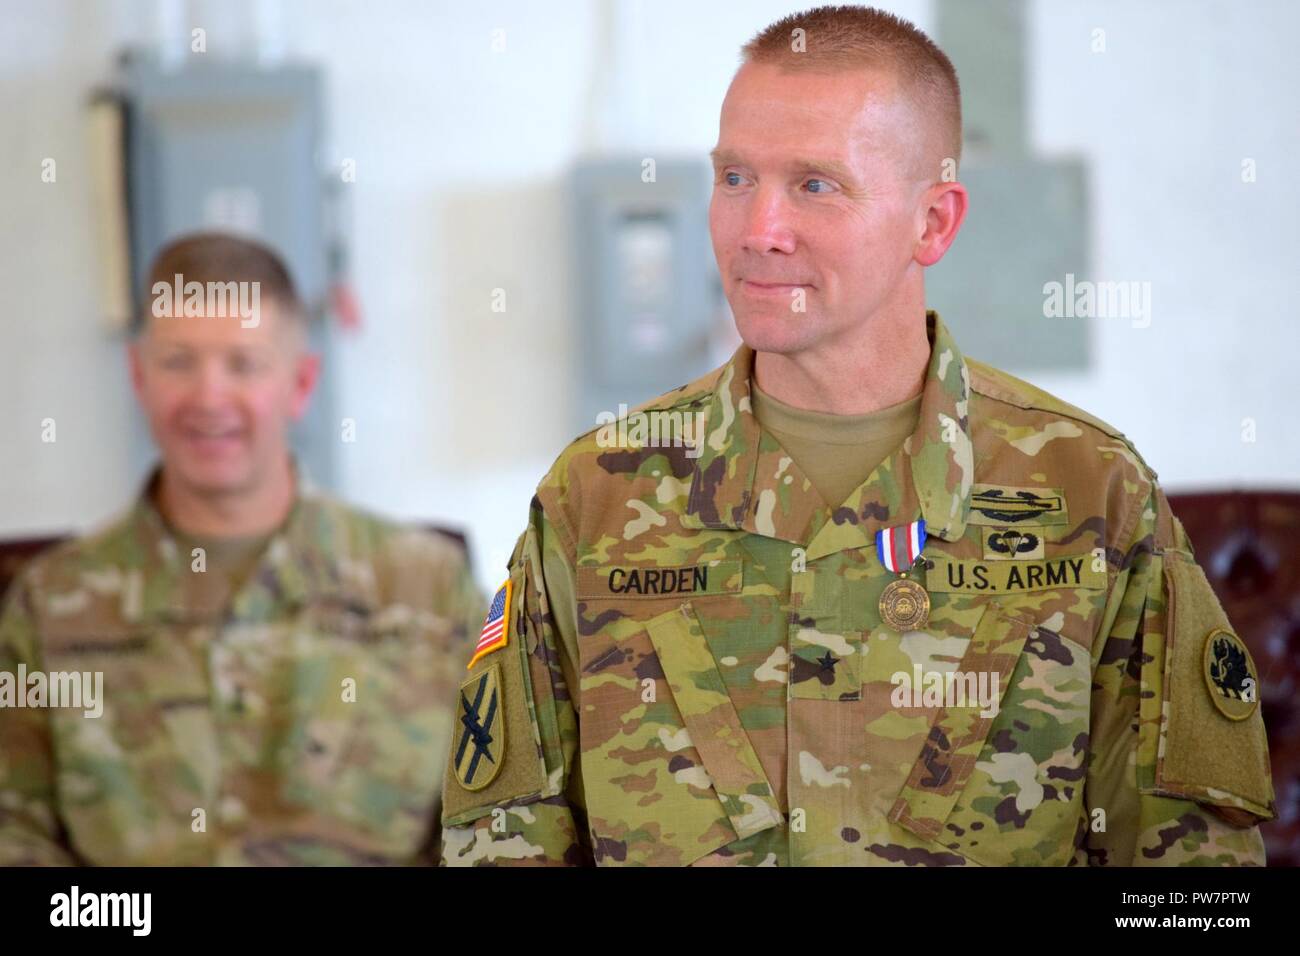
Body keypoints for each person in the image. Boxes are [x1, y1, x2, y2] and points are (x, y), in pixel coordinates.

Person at [438, 6, 1274, 866]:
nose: (757, 229)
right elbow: (503, 838)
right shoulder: (600, 494)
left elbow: (1193, 881)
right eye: (733, 178)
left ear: (934, 223)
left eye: (814, 185)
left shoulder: (1089, 492)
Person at [0, 232, 482, 865]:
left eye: (244, 363)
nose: (208, 396)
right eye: (178, 362)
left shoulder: (428, 588)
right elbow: (14, 832)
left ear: (301, 383)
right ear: (138, 376)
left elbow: (494, 822)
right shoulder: (51, 604)